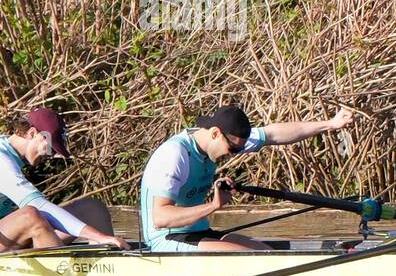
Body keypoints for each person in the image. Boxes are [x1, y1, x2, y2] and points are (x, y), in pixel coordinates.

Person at [139, 105, 355, 251]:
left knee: (268, 254)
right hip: (165, 241)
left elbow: (273, 135)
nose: (234, 154)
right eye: (232, 149)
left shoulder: (223, 140)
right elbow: (161, 218)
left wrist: (330, 124)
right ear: (215, 133)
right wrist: (213, 205)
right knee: (255, 259)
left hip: (199, 233)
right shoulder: (175, 155)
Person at [0, 108, 128, 252]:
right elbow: (40, 206)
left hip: (1, 232)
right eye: (49, 147)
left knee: (92, 208)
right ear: (32, 133)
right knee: (31, 215)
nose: (50, 155)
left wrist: (99, 237)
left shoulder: (6, 148)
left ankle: (108, 264)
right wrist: (99, 236)